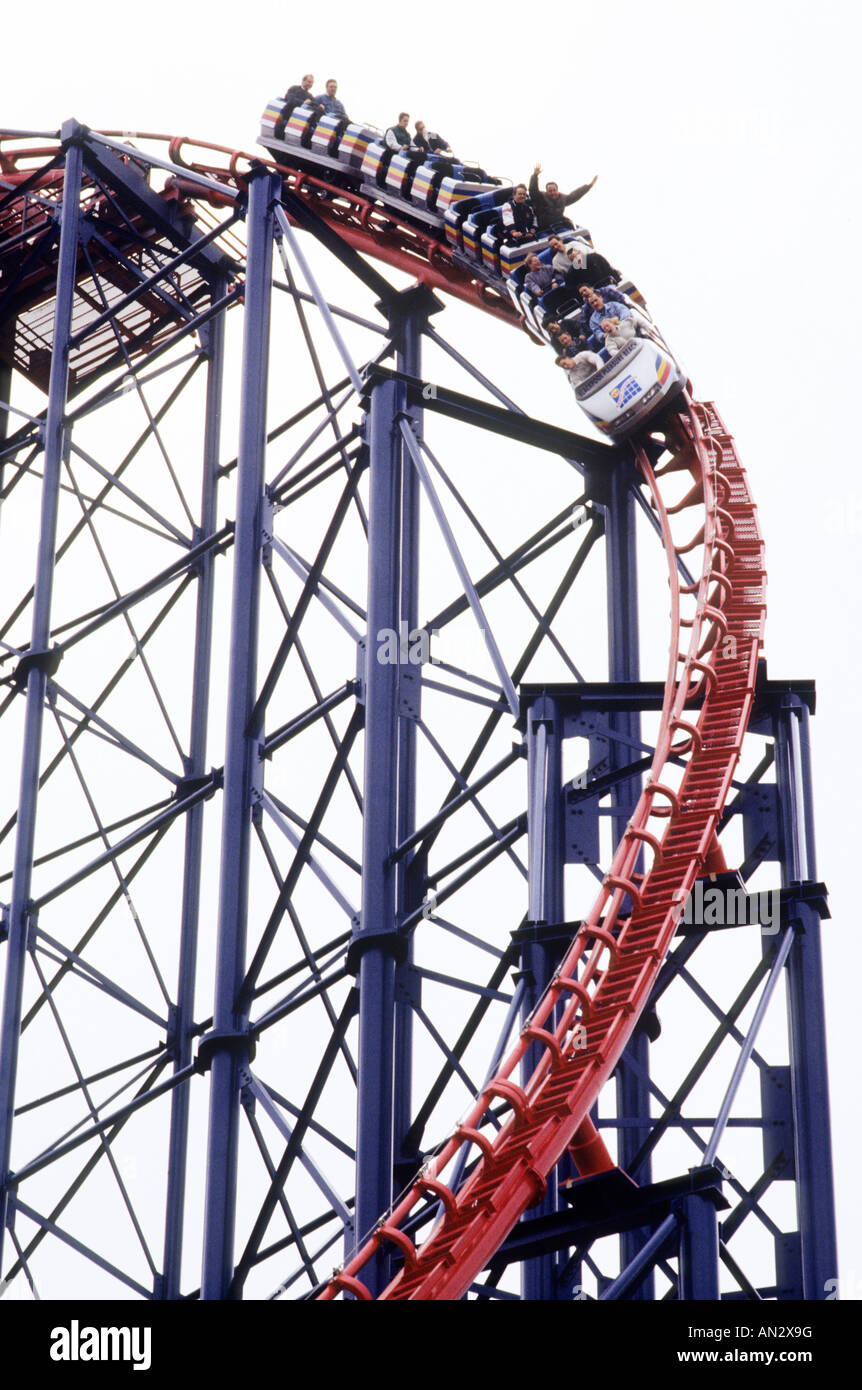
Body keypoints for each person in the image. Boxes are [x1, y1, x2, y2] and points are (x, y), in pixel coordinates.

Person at [529, 166, 598, 231]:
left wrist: (589, 186)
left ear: (557, 190)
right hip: (544, 229)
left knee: (569, 234)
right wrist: (535, 176)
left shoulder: (563, 198)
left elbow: (576, 195)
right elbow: (533, 190)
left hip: (559, 227)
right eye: (550, 191)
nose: (553, 193)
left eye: (554, 190)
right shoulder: (541, 198)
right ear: (546, 192)